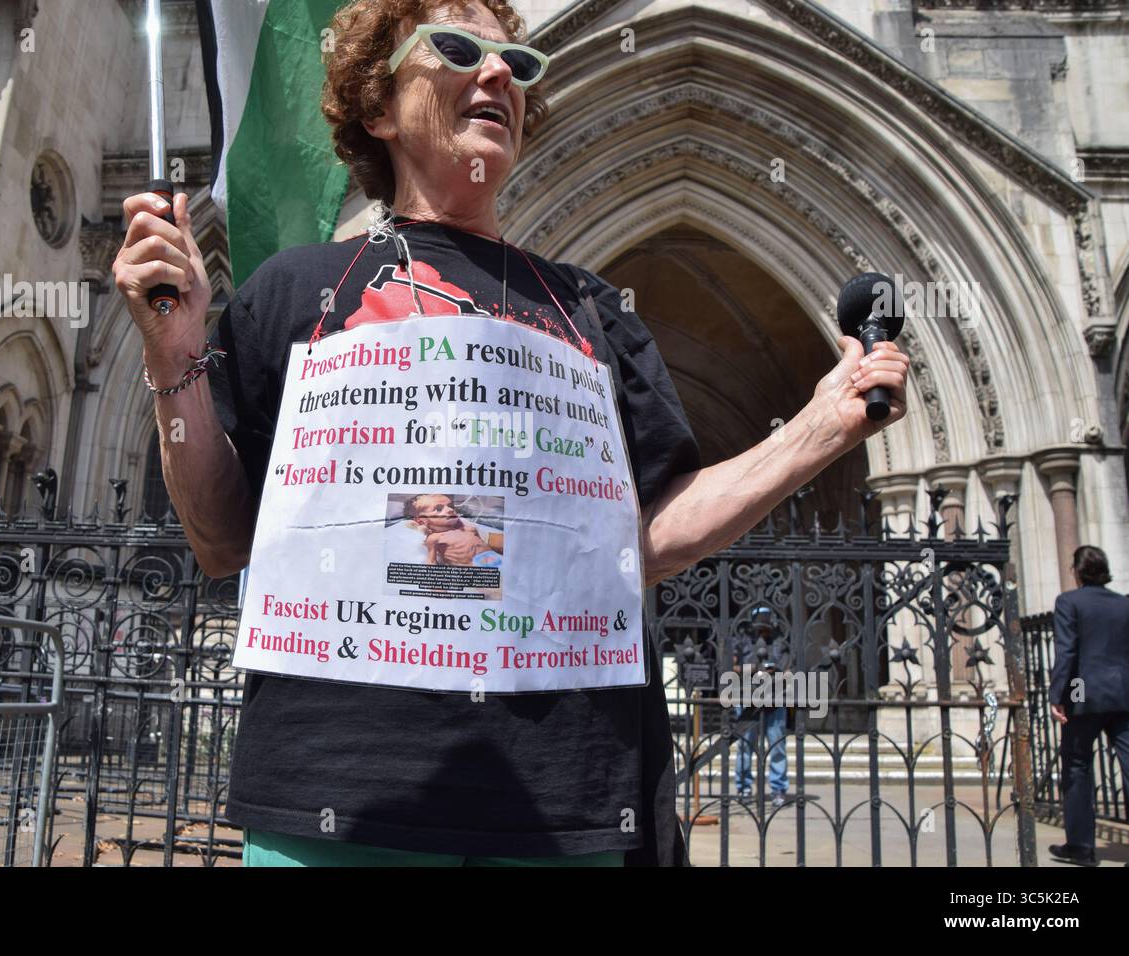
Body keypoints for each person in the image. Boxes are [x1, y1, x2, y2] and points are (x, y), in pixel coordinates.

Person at [111, 0, 910, 866]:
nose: (499, 75)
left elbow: (644, 538)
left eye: (516, 66)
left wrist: (823, 427)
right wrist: (177, 354)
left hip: (562, 803)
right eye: (457, 50)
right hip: (341, 799)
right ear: (378, 108)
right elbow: (221, 538)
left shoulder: (589, 310)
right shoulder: (291, 290)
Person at [1047, 545, 1129, 867]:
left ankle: (1081, 845)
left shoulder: (1069, 602)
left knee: (1078, 762)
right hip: (1123, 692)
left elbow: (1068, 653)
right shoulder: (1123, 604)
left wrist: (1058, 697)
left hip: (1083, 689)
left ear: (1077, 571)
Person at [731, 605, 791, 807]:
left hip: (775, 699)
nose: (762, 631)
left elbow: (788, 669)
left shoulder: (780, 641)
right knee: (745, 746)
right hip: (748, 698)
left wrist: (775, 671)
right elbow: (732, 667)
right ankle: (744, 787)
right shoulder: (742, 640)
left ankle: (778, 789)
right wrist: (754, 669)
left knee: (776, 746)